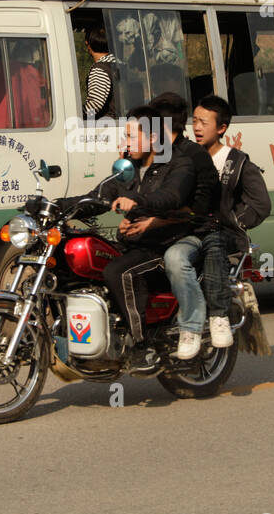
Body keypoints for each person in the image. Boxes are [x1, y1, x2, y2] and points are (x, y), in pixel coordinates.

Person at [59, 106, 195, 347]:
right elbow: (97, 198)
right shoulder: (128, 170)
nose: (125, 142)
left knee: (117, 271)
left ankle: (142, 343)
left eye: (131, 136)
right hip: (134, 245)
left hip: (163, 246)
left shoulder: (177, 165)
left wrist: (139, 202)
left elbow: (171, 197)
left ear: (152, 138)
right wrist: (53, 206)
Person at [143, 92, 220, 359]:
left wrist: (152, 222)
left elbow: (196, 210)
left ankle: (192, 326)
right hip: (164, 231)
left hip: (194, 232)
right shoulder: (159, 154)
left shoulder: (193, 156)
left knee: (175, 258)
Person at [192, 94, 271, 348]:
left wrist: (233, 222)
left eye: (204, 122)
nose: (196, 128)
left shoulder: (237, 163)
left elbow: (261, 204)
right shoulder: (189, 157)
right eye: (194, 121)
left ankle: (218, 318)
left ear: (221, 128)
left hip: (223, 238)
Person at [83, 27, 119, 120]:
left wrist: (78, 115)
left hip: (107, 124)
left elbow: (95, 104)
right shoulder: (118, 64)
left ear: (88, 44)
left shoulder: (100, 69)